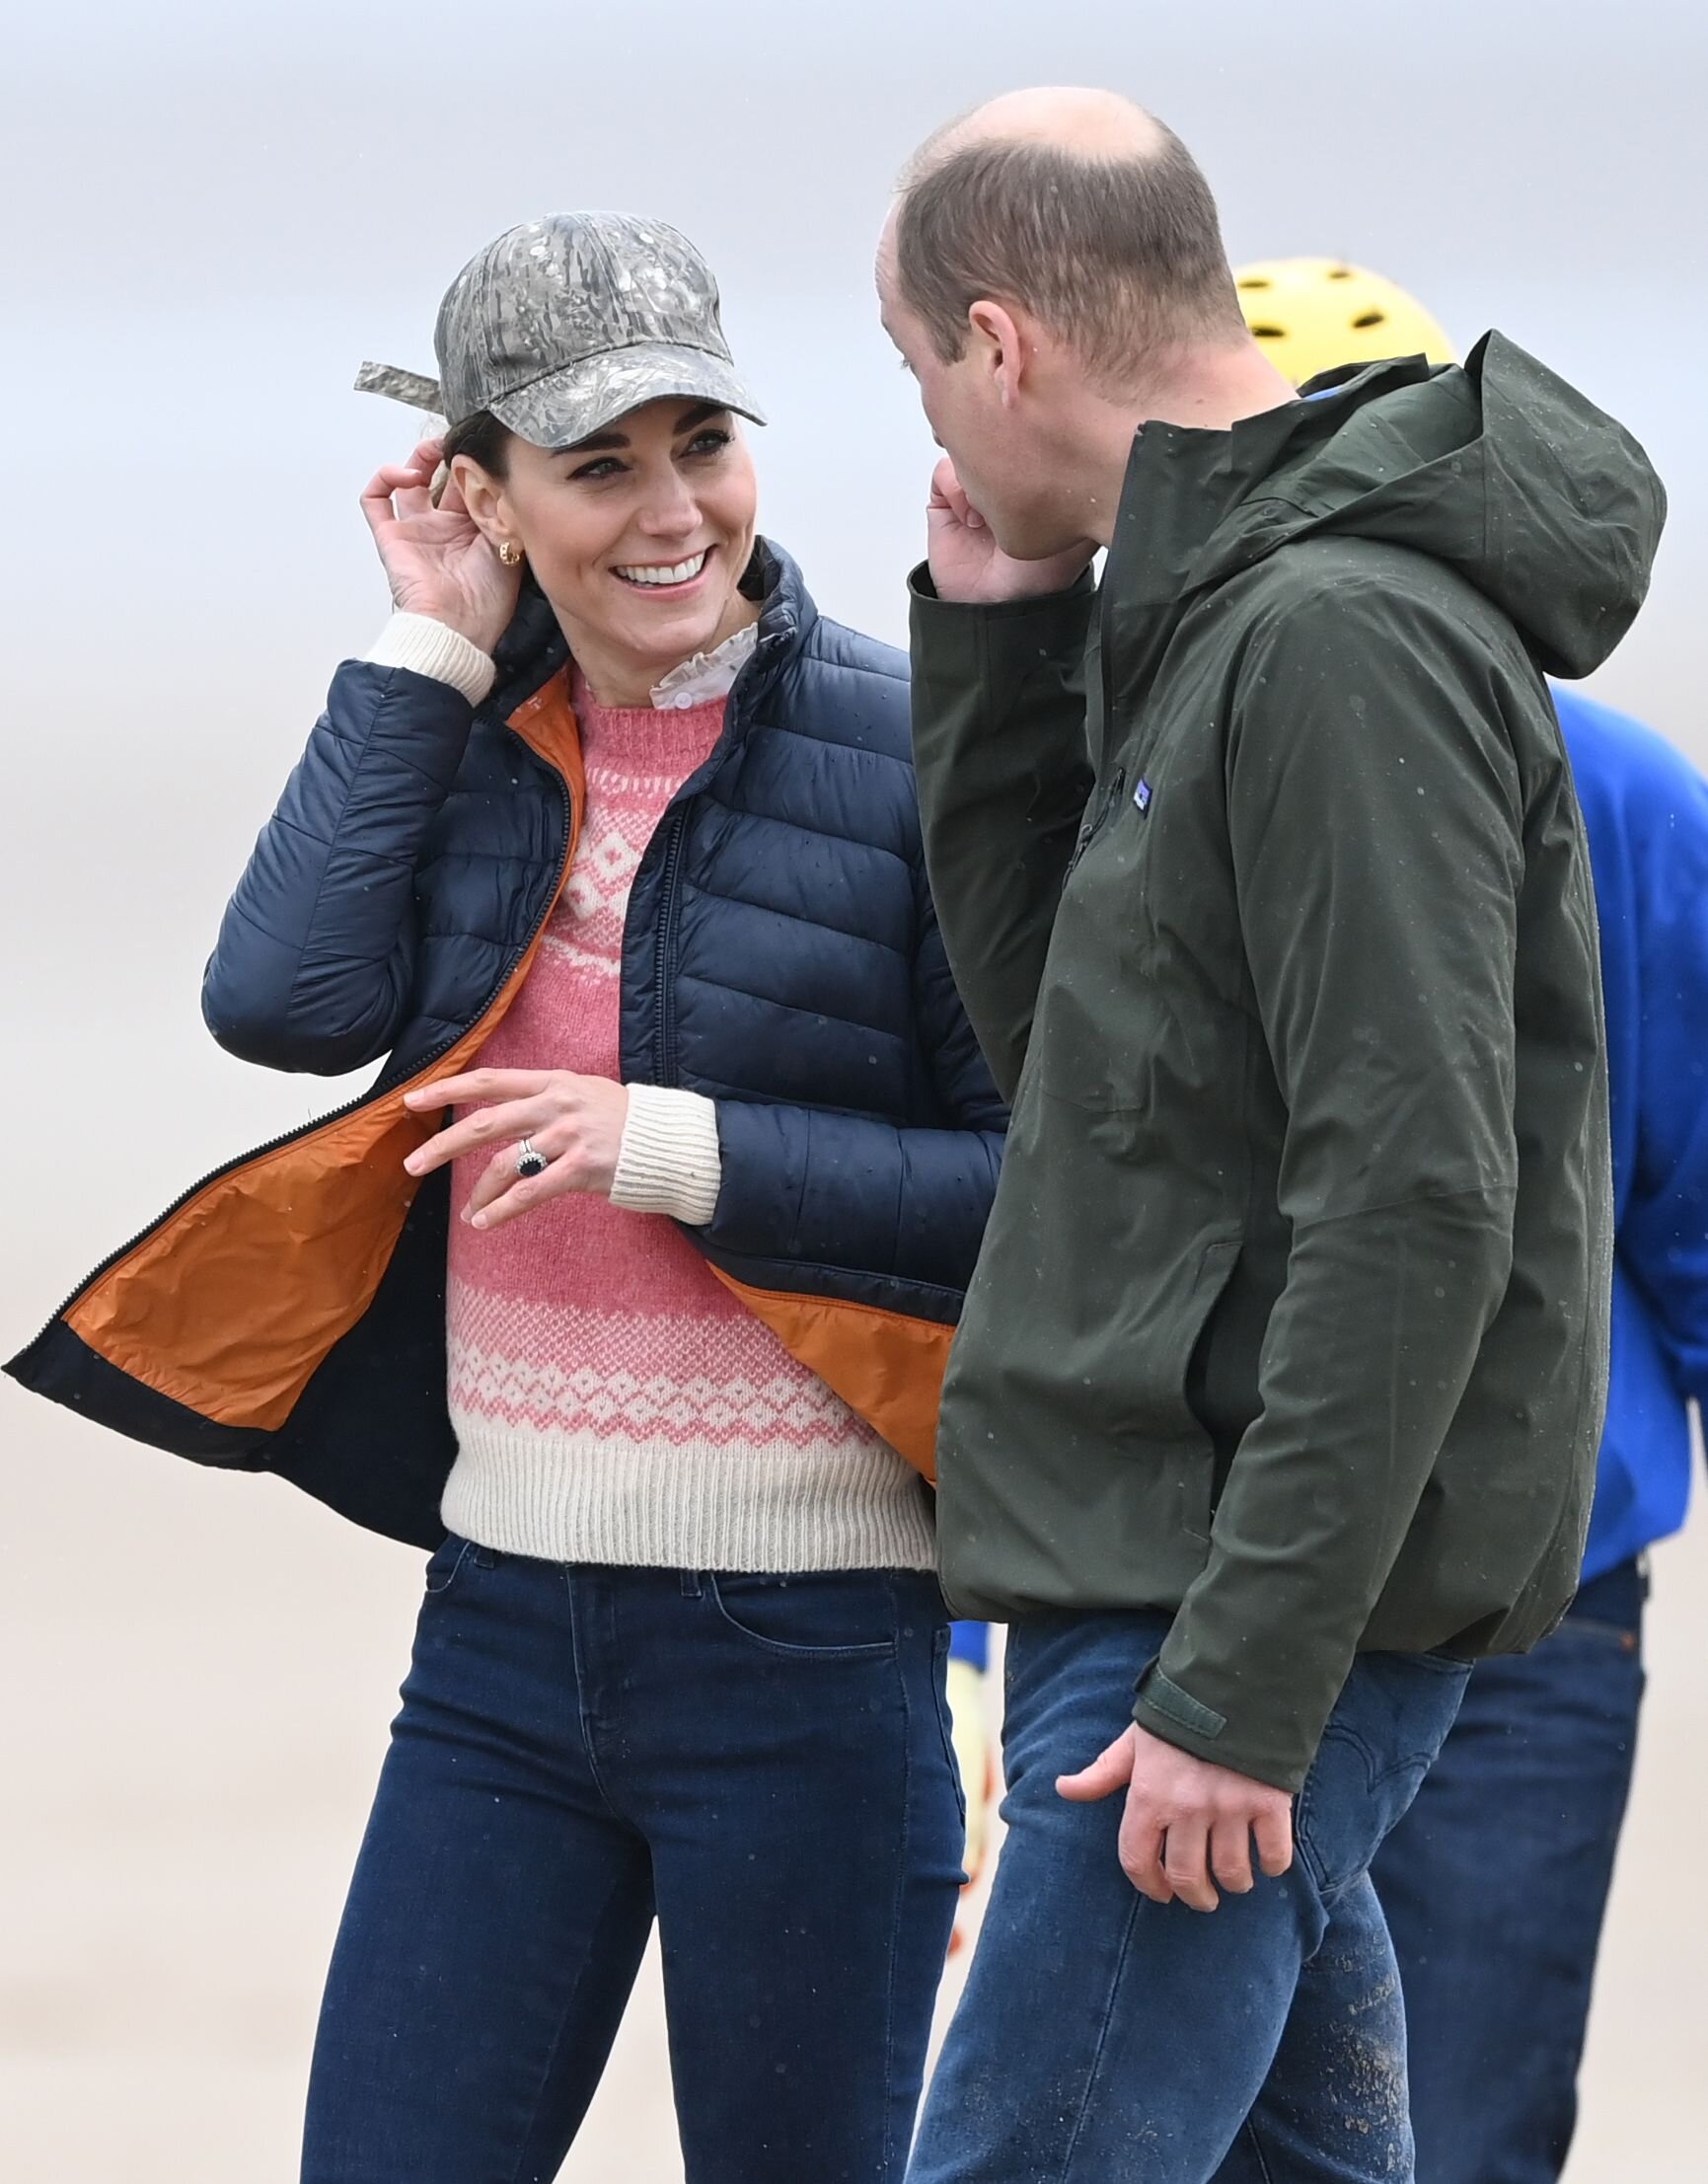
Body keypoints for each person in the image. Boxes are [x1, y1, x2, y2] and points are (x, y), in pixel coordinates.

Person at [8, 210, 1007, 2184]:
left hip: (811, 1651)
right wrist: (425, 646)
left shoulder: (914, 752)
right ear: (484, 490)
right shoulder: (461, 733)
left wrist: (676, 1146)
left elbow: (1035, 1189)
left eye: (699, 443)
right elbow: (280, 1003)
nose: (672, 511)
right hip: (498, 1633)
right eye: (596, 463)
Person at [876, 88, 1665, 2183]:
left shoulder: (1335, 637)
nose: (927, 425)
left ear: (997, 344)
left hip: (1213, 1594)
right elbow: (1092, 1090)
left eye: (915, 369)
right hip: (1170, 1562)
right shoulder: (1220, 609)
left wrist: (1240, 1691)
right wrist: (1001, 650)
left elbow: (1417, 1201)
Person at [1235, 256, 1708, 2184]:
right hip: (1190, 1590)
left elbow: (1693, 1199)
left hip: (1534, 1604)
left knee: (1466, 2141)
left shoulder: (1620, 794)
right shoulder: (1118, 767)